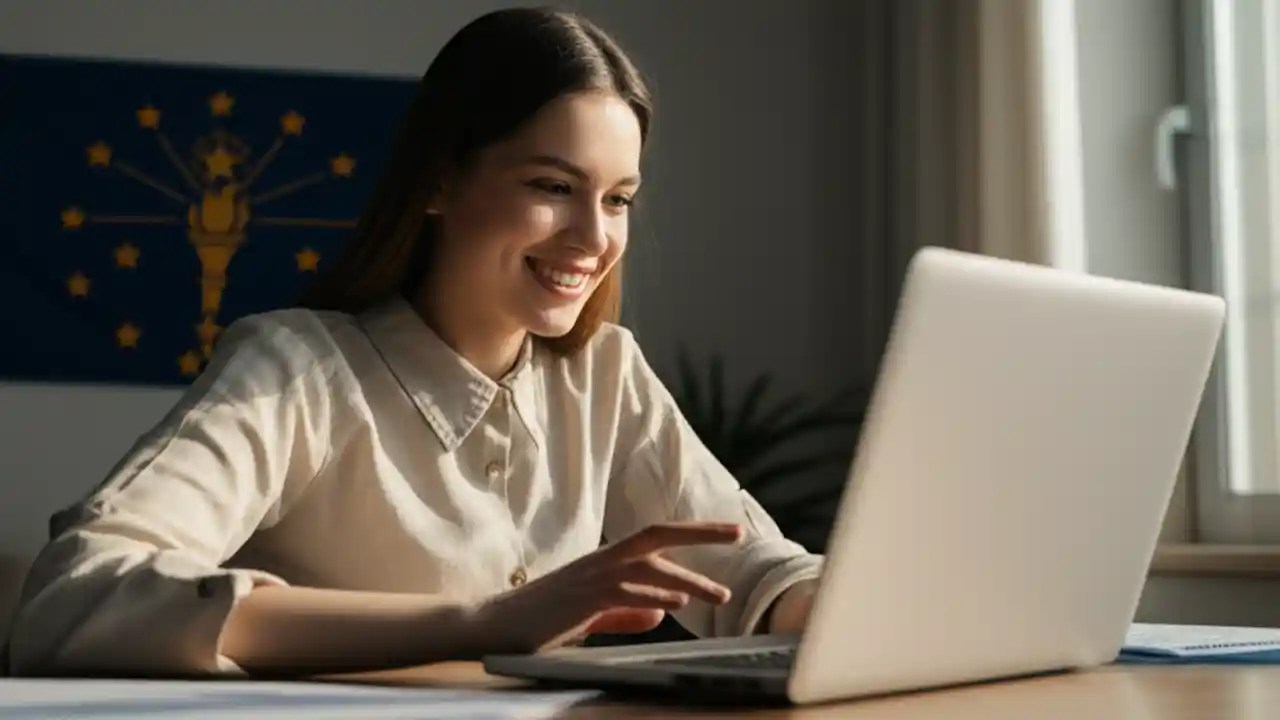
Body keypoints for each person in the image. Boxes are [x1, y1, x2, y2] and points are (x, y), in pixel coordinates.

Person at [5, 6, 823, 677]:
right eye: (551, 187)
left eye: (618, 200)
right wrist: (486, 621)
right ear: (439, 180)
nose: (592, 236)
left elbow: (757, 574)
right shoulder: (296, 369)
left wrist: (857, 611)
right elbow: (73, 597)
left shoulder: (606, 377)